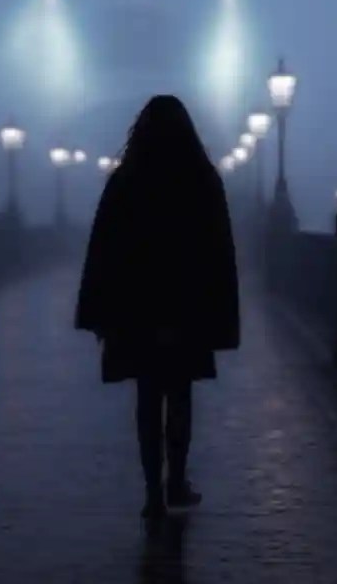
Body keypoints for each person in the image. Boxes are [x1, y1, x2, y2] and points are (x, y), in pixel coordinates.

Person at [76, 95, 240, 521]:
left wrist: (101, 314)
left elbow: (104, 252)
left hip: (138, 311)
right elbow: (219, 255)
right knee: (180, 394)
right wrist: (219, 315)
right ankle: (176, 482)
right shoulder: (202, 180)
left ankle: (152, 491)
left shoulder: (125, 181)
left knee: (147, 399)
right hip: (186, 308)